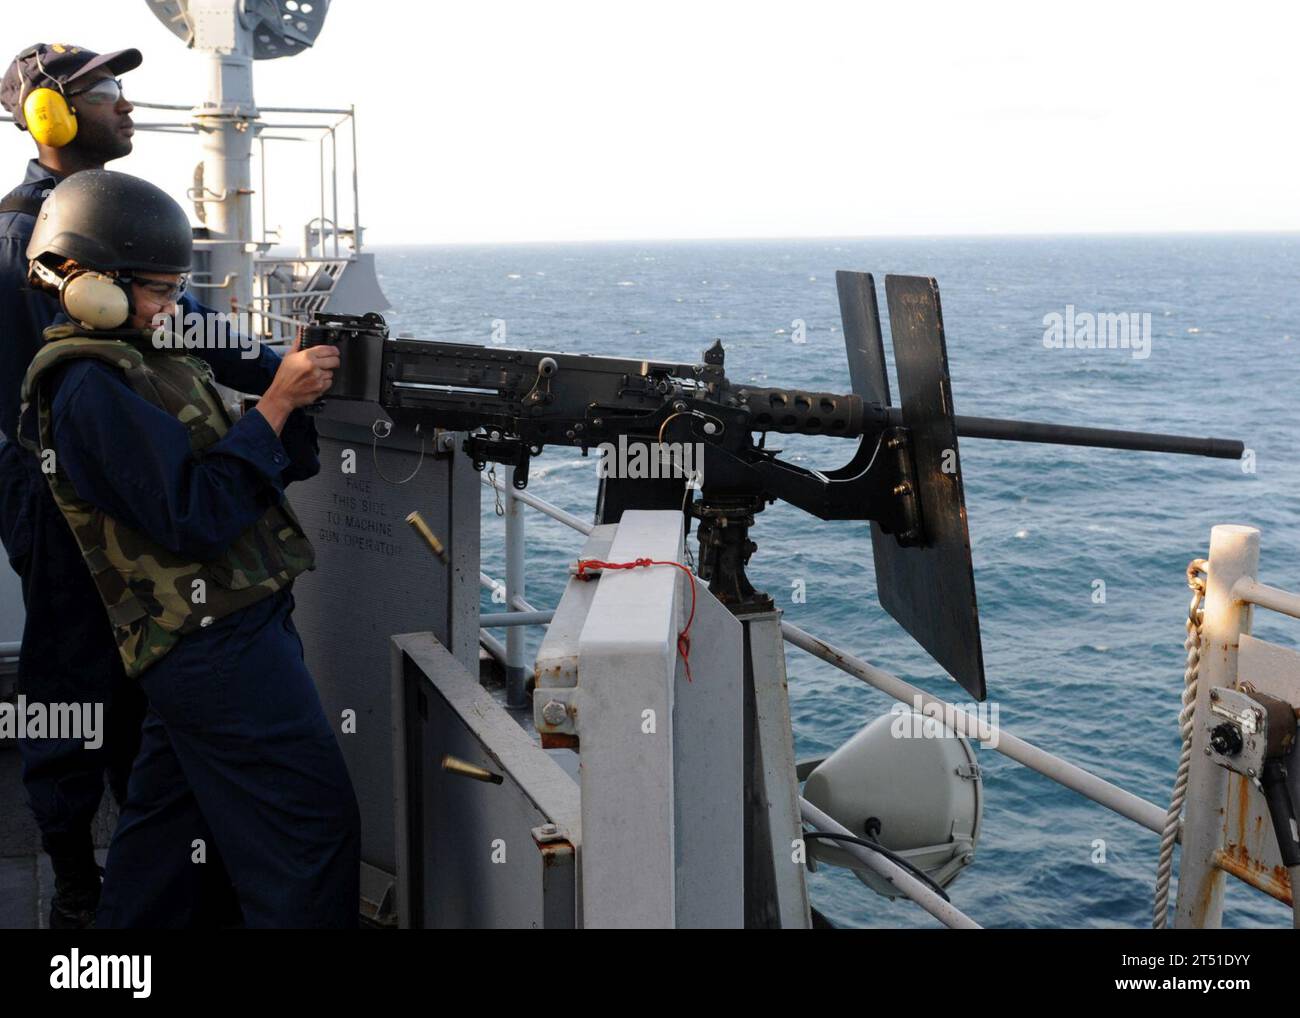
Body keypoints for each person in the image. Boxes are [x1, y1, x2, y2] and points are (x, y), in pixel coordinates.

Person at [18, 169, 360, 928]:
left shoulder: (146, 352)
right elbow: (195, 516)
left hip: (218, 635)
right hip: (213, 646)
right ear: (82, 281)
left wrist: (289, 392)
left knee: (162, 846)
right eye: (157, 290)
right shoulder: (87, 388)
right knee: (308, 829)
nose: (173, 306)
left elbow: (268, 463)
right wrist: (272, 407)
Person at [0, 42, 151, 928]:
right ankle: (75, 888)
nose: (129, 106)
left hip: (103, 484)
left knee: (132, 676)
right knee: (67, 685)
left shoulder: (96, 218)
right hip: (57, 491)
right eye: (110, 92)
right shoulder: (34, 236)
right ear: (50, 115)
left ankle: (145, 866)